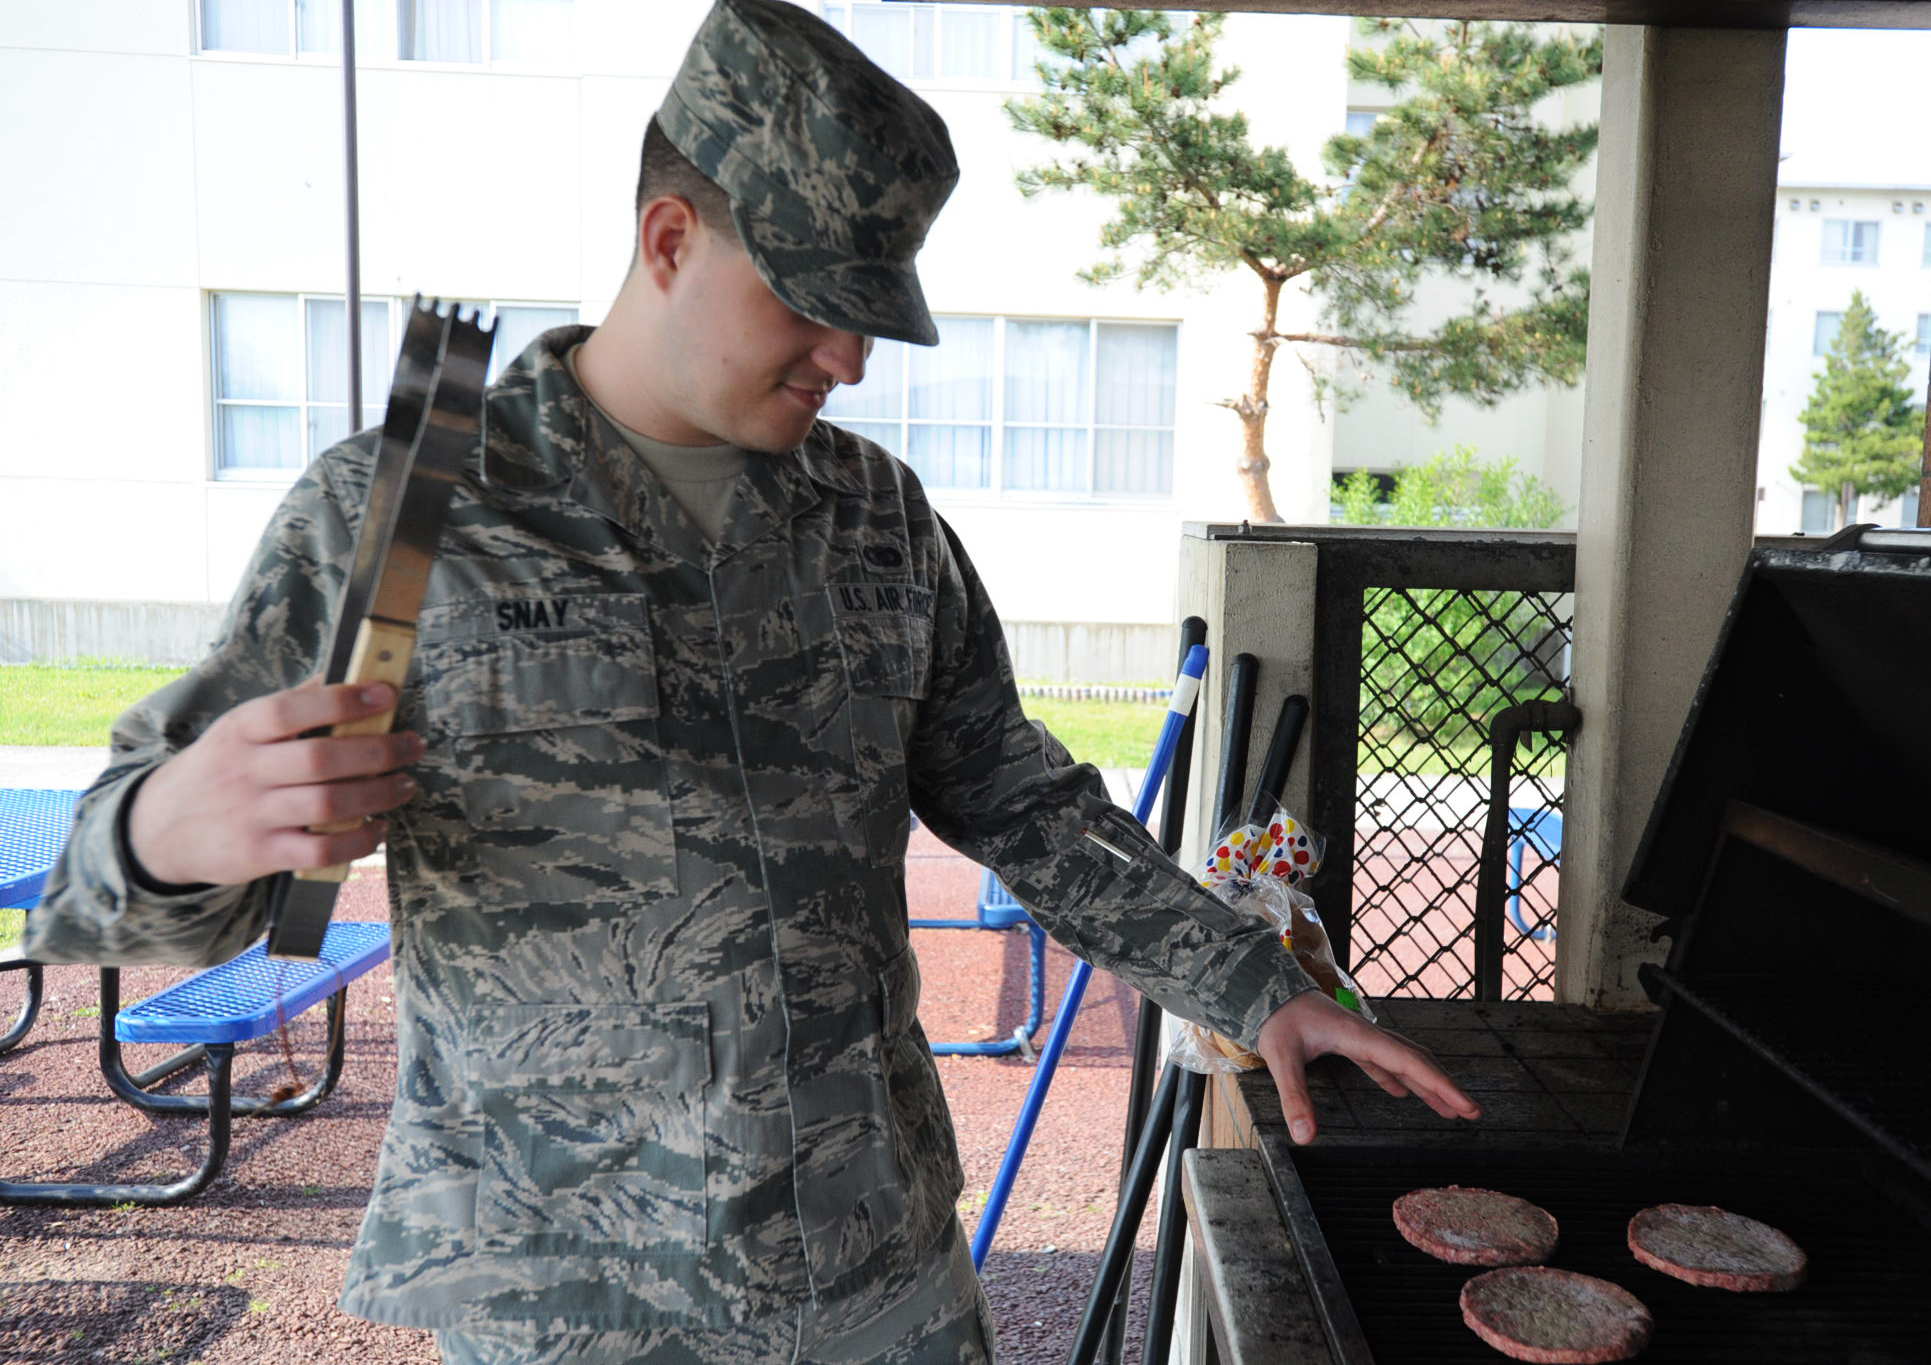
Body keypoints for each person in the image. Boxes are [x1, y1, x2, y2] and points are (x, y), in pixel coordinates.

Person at [25, 2, 1479, 1360]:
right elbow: (107, 894)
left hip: (873, 1263)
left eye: (872, 313)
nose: (849, 356)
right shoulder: (404, 513)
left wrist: (1246, 983)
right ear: (669, 238)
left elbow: (1022, 801)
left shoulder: (877, 518)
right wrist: (169, 826)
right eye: (813, 303)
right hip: (563, 1290)